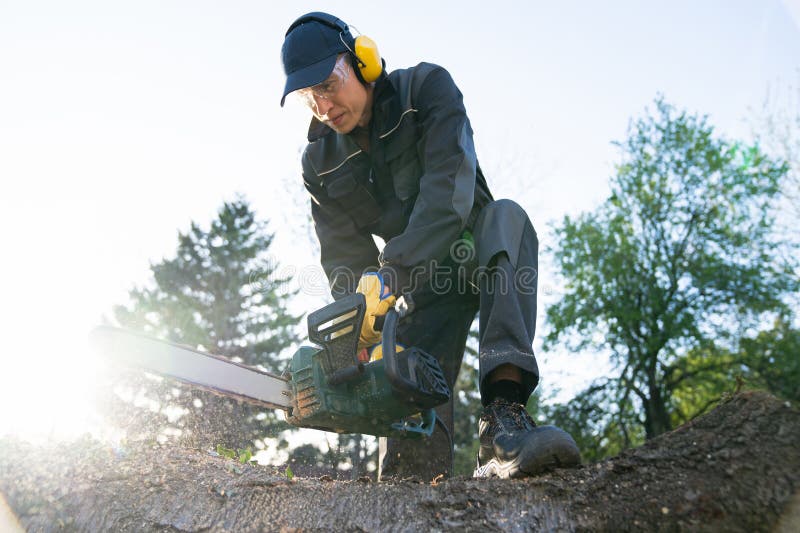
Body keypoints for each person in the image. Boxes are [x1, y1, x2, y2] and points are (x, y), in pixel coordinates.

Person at [280, 12, 580, 480]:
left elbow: (448, 193)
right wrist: (357, 322)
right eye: (309, 97)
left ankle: (503, 421)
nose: (323, 105)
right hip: (421, 289)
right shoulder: (319, 161)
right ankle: (414, 472)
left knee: (509, 219)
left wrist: (391, 273)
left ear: (362, 60)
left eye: (329, 84)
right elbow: (341, 254)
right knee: (405, 470)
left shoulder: (425, 91)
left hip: (471, 249)